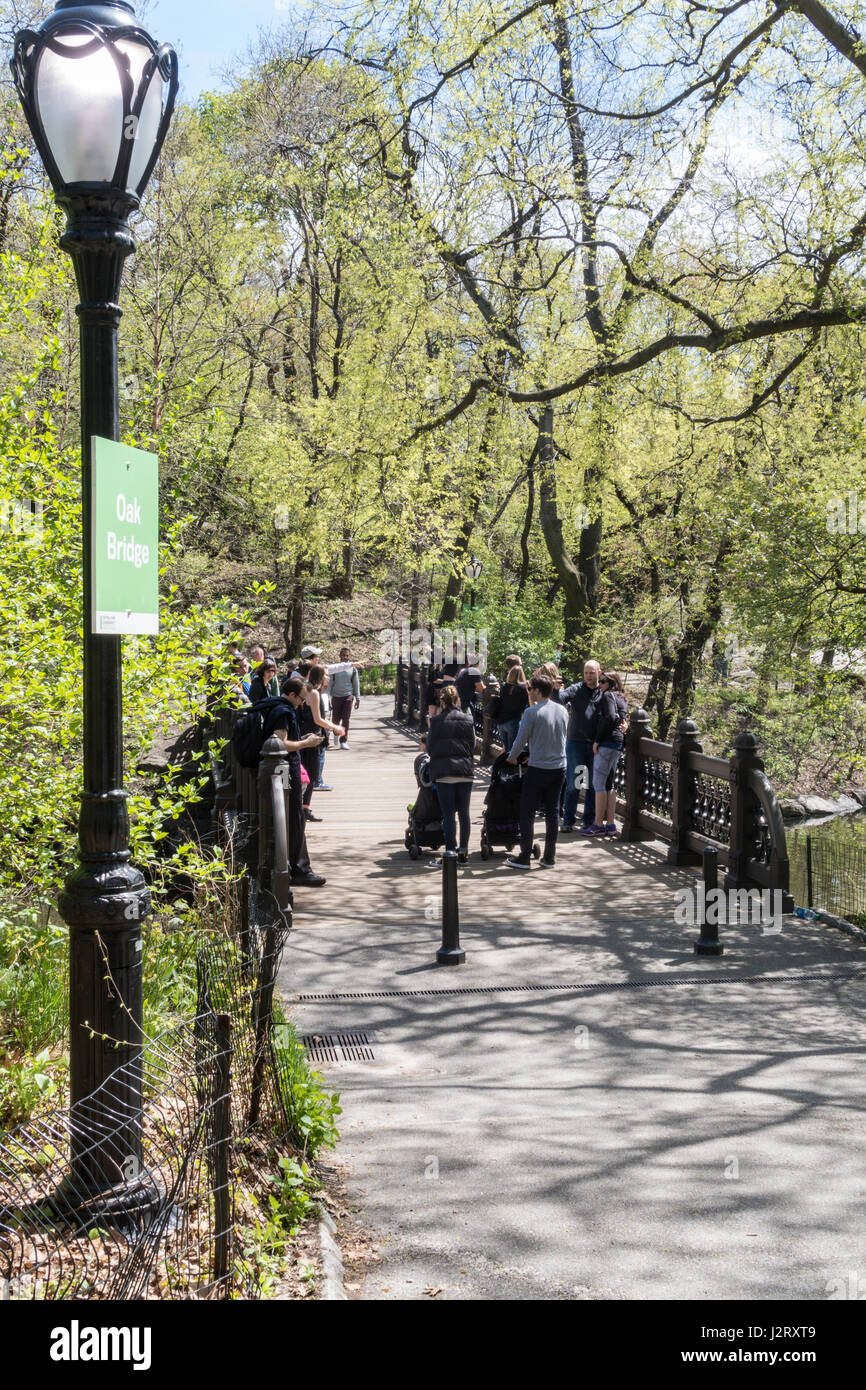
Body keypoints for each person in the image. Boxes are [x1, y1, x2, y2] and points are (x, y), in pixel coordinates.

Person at [505, 675, 568, 869]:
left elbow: (520, 739)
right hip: (559, 767)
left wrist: (512, 757)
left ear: (538, 691)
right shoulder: (563, 710)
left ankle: (524, 856)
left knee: (527, 811)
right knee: (552, 812)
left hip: (538, 768)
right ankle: (549, 856)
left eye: (531, 688)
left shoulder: (532, 712)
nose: (529, 691)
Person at [266, 682, 325, 886]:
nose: (301, 704)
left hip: (281, 769)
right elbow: (280, 743)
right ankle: (300, 870)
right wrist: (305, 744)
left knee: (292, 816)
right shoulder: (284, 712)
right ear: (291, 694)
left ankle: (295, 865)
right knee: (294, 817)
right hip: (285, 770)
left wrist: (302, 738)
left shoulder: (276, 705)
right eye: (300, 698)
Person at [425, 684, 475, 864]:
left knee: (448, 814)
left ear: (442, 701)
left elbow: (429, 748)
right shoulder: (468, 719)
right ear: (457, 700)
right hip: (465, 771)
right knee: (464, 813)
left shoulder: (436, 721)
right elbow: (473, 745)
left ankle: (450, 852)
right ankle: (464, 851)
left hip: (445, 771)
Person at [557, 659, 603, 832]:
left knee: (592, 784)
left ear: (599, 672)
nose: (588, 676)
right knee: (574, 784)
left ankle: (589, 820)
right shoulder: (576, 689)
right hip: (576, 742)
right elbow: (560, 699)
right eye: (586, 673)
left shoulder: (603, 691)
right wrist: (555, 689)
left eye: (592, 673)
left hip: (596, 745)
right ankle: (568, 820)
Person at [583, 672, 628, 837]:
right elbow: (621, 720)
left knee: (598, 783)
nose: (599, 685)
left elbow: (609, 717)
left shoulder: (608, 696)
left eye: (602, 682)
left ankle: (597, 824)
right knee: (610, 784)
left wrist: (597, 740)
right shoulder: (622, 698)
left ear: (611, 683)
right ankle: (610, 824)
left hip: (607, 743)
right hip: (617, 744)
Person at [305, 666, 345, 802]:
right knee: (311, 774)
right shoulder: (314, 693)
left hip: (307, 735)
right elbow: (318, 719)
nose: (329, 677)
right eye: (327, 675)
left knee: (308, 774)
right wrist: (336, 727)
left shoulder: (309, 689)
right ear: (321, 677)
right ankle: (305, 808)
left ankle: (305, 807)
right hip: (311, 737)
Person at [489, 663, 529, 753]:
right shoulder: (523, 689)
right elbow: (525, 705)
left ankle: (502, 767)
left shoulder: (504, 686)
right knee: (512, 751)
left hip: (500, 722)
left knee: (506, 749)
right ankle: (507, 767)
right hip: (513, 721)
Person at [329, 647, 361, 748]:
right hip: (336, 696)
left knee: (346, 718)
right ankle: (335, 734)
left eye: (347, 655)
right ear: (340, 656)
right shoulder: (335, 668)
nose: (345, 657)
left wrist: (358, 698)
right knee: (335, 719)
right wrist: (327, 698)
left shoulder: (353, 668)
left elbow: (356, 684)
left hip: (348, 695)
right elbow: (330, 683)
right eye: (343, 655)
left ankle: (343, 741)